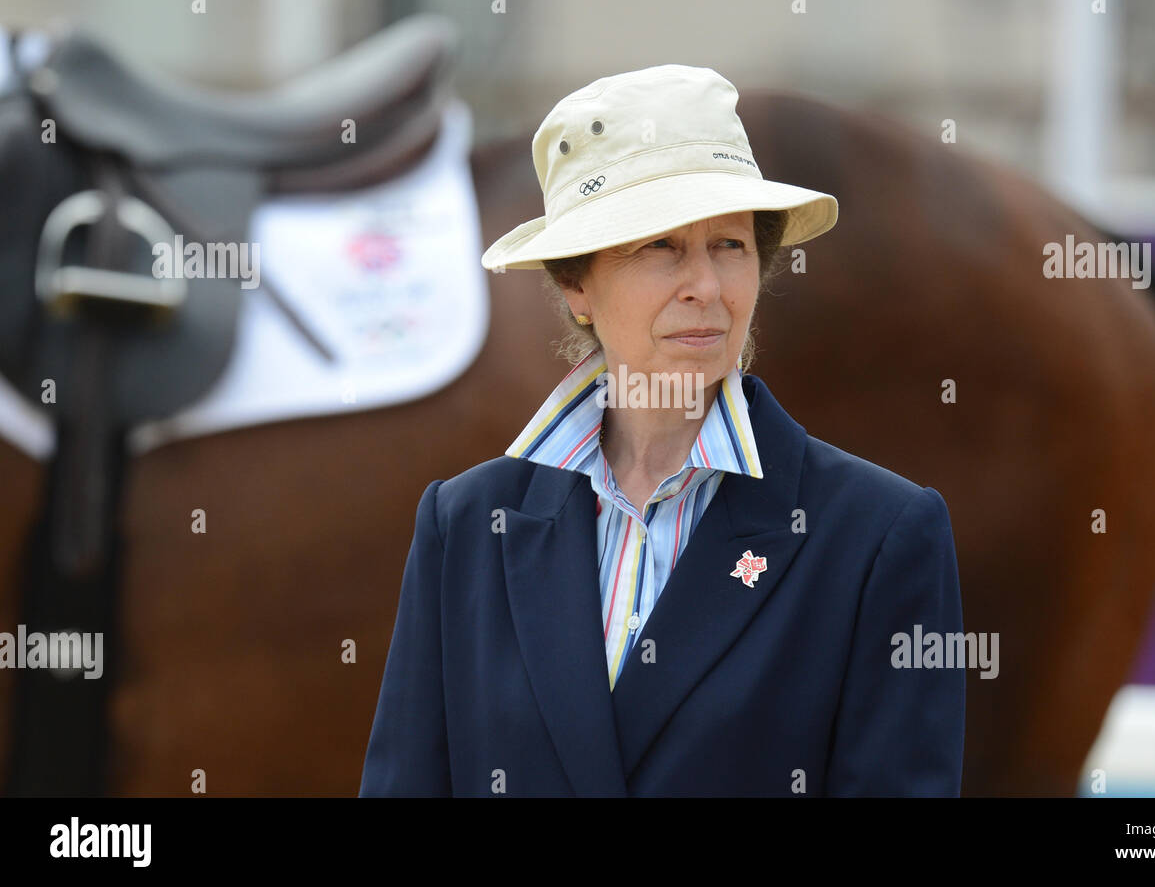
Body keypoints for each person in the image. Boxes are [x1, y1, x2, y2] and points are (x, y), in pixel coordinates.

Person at [359, 64, 964, 797]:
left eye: (731, 245)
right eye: (660, 247)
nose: (706, 287)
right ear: (576, 284)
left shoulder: (879, 535)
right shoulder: (466, 526)